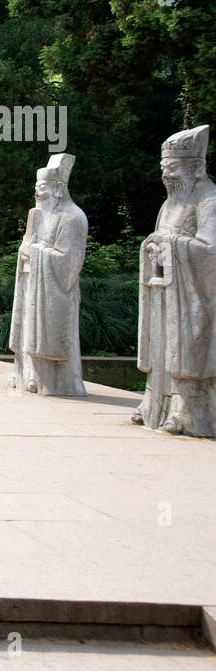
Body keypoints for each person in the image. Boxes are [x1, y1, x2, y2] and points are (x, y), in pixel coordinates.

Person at [133, 125, 216, 437]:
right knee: (161, 348)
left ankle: (191, 410)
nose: (166, 175)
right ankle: (155, 402)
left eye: (173, 167)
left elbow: (211, 251)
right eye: (164, 168)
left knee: (187, 351)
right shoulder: (170, 203)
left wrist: (172, 242)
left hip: (192, 294)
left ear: (196, 166)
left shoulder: (209, 200)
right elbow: (158, 239)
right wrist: (155, 245)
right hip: (166, 291)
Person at [9, 153, 88, 397]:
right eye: (36, 188)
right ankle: (29, 374)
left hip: (53, 288)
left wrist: (35, 252)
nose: (37, 194)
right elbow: (29, 245)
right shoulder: (39, 215)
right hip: (33, 284)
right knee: (28, 330)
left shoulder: (72, 218)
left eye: (42, 188)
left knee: (49, 334)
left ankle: (55, 381)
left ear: (58, 189)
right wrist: (26, 251)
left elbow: (69, 262)